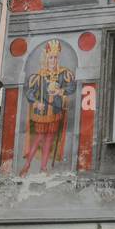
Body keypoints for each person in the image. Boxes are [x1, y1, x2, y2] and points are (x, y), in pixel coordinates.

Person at [23, 40, 75, 172]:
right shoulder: (39, 75)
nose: (53, 60)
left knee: (49, 139)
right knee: (39, 138)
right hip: (42, 113)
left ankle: (43, 167)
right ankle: (27, 164)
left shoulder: (64, 74)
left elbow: (72, 87)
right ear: (47, 58)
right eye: (51, 57)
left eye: (55, 57)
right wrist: (35, 102)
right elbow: (29, 92)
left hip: (55, 112)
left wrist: (61, 91)